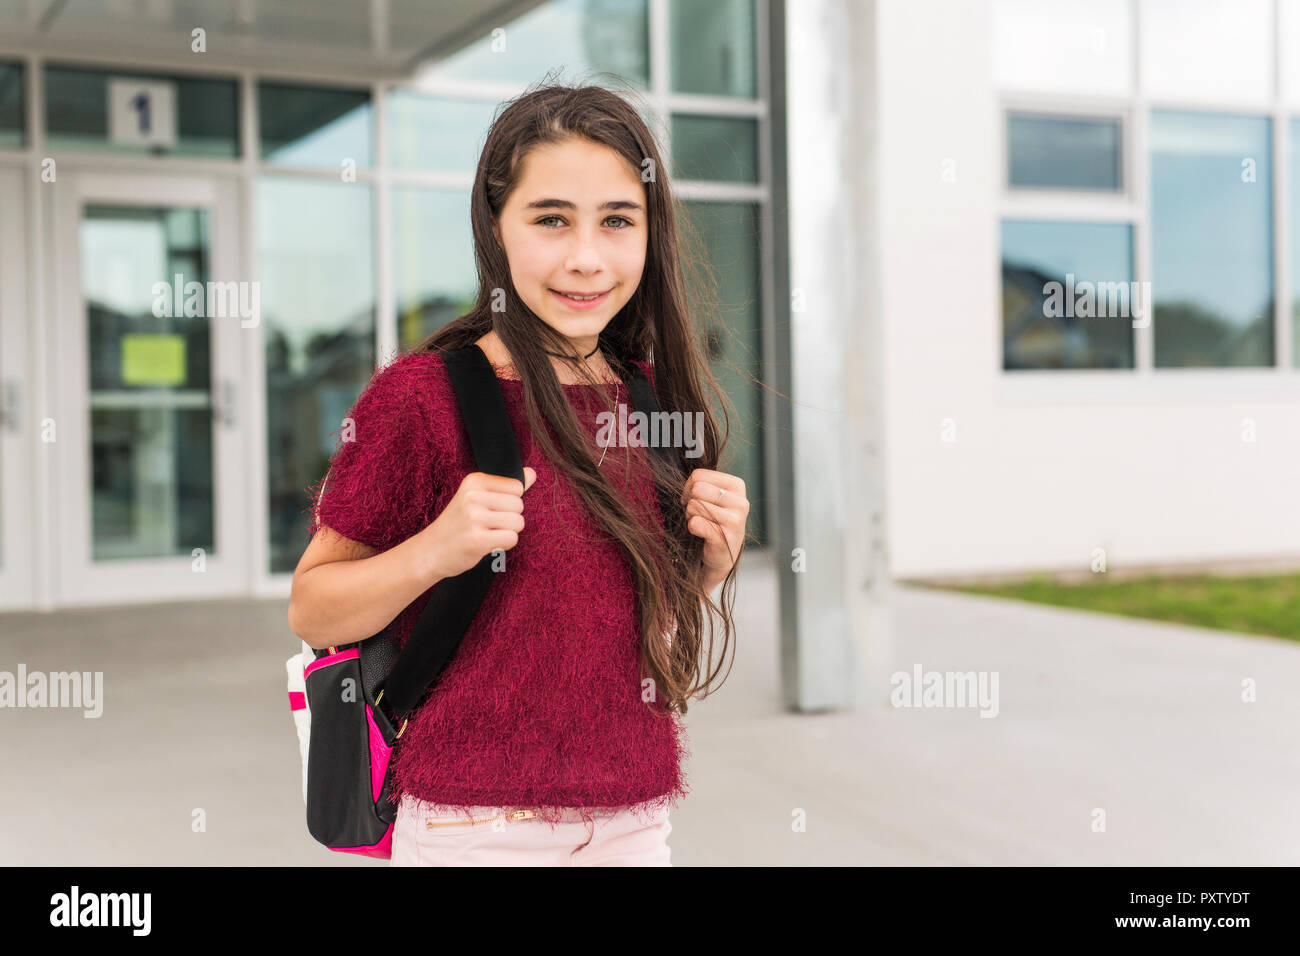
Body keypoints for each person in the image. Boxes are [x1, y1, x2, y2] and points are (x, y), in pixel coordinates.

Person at [288, 79, 749, 866]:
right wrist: (436, 549)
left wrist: (709, 563)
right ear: (496, 228)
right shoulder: (422, 397)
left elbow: (618, 613)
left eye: (616, 221)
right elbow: (314, 607)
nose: (586, 258)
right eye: (551, 220)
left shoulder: (648, 398)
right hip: (475, 829)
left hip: (634, 822)